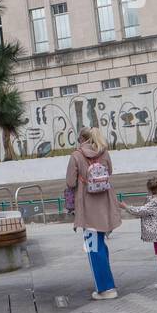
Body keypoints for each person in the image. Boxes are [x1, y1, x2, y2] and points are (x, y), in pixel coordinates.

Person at [66, 126, 120, 300]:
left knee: (92, 248)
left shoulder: (76, 155)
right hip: (104, 205)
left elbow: (70, 181)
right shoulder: (104, 152)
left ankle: (106, 289)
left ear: (81, 139)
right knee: (101, 246)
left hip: (87, 208)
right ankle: (109, 283)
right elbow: (110, 172)